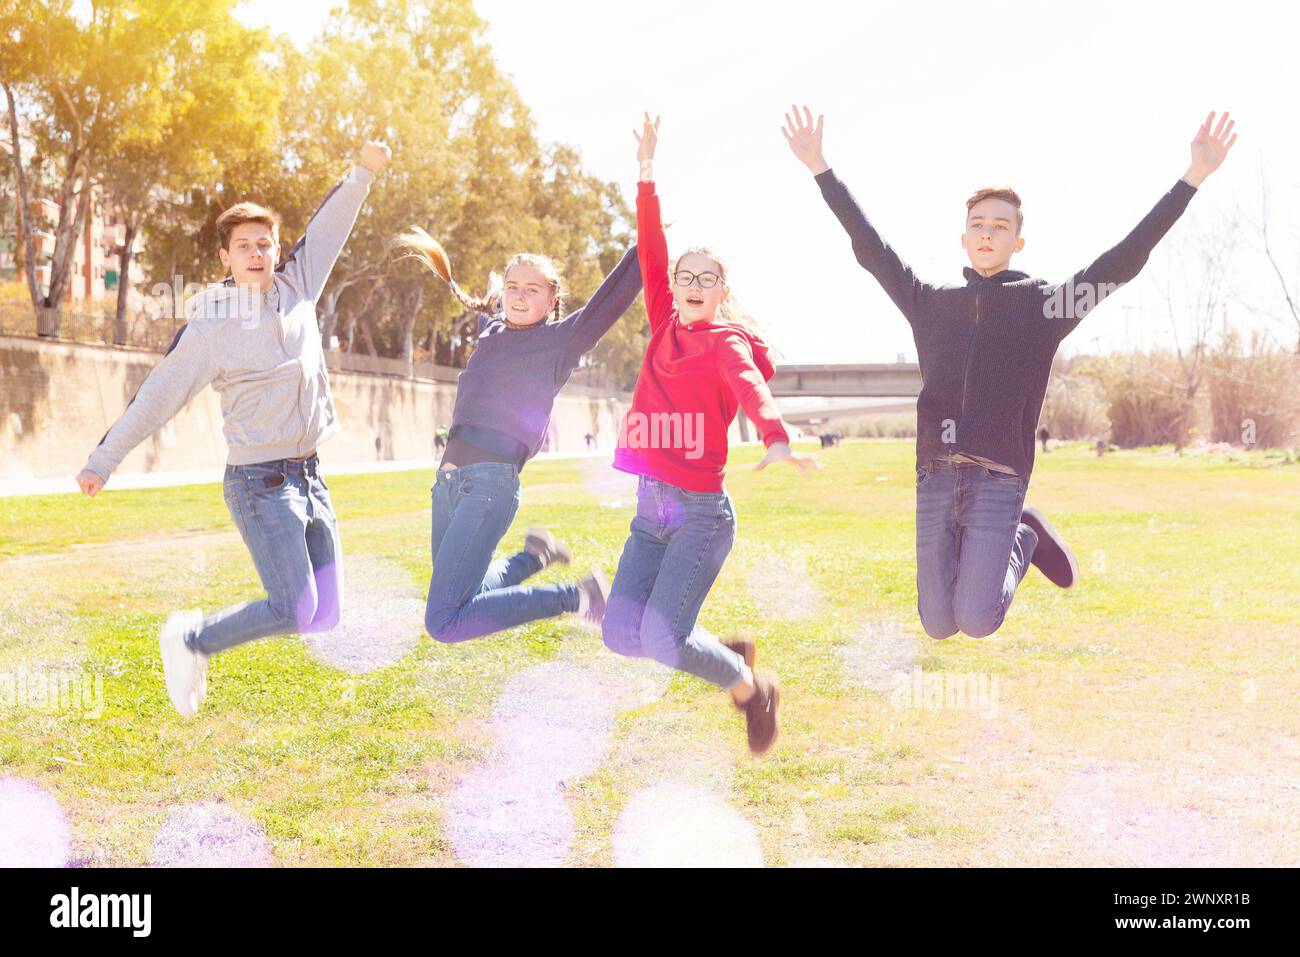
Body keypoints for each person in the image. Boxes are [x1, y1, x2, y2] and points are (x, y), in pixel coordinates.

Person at [784, 104, 1236, 640]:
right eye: (977, 225)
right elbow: (871, 248)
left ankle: (1024, 536)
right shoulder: (929, 302)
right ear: (963, 237)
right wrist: (820, 168)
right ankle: (984, 548)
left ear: (1017, 242)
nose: (987, 234)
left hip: (999, 475)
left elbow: (1120, 263)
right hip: (935, 472)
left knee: (976, 620)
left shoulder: (1044, 306)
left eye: (1000, 227)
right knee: (937, 624)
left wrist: (1192, 178)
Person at [75, 141, 393, 716]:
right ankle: (191, 639)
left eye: (264, 243)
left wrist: (364, 173)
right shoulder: (212, 325)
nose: (256, 253)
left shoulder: (298, 286)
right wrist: (103, 460)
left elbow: (330, 227)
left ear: (276, 250)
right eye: (243, 246)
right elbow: (158, 395)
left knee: (325, 614)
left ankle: (196, 639)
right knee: (294, 608)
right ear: (225, 258)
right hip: (260, 484)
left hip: (310, 476)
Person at [602, 115, 820, 755]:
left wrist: (775, 436)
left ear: (722, 292)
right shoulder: (664, 323)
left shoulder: (725, 341)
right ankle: (733, 659)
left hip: (699, 514)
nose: (693, 286)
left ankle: (752, 686)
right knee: (621, 635)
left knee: (662, 637)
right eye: (685, 277)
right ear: (673, 288)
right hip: (651, 510)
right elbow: (650, 248)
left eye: (707, 279)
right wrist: (646, 173)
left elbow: (750, 384)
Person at [394, 221, 643, 645]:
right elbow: (491, 311)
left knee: (444, 621)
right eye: (513, 287)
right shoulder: (491, 332)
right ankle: (534, 558)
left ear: (552, 300)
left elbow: (609, 301)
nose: (520, 296)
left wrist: (644, 245)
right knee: (463, 592)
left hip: (489, 485)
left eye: (532, 289)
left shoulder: (560, 342)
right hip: (447, 486)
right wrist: (494, 293)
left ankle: (578, 596)